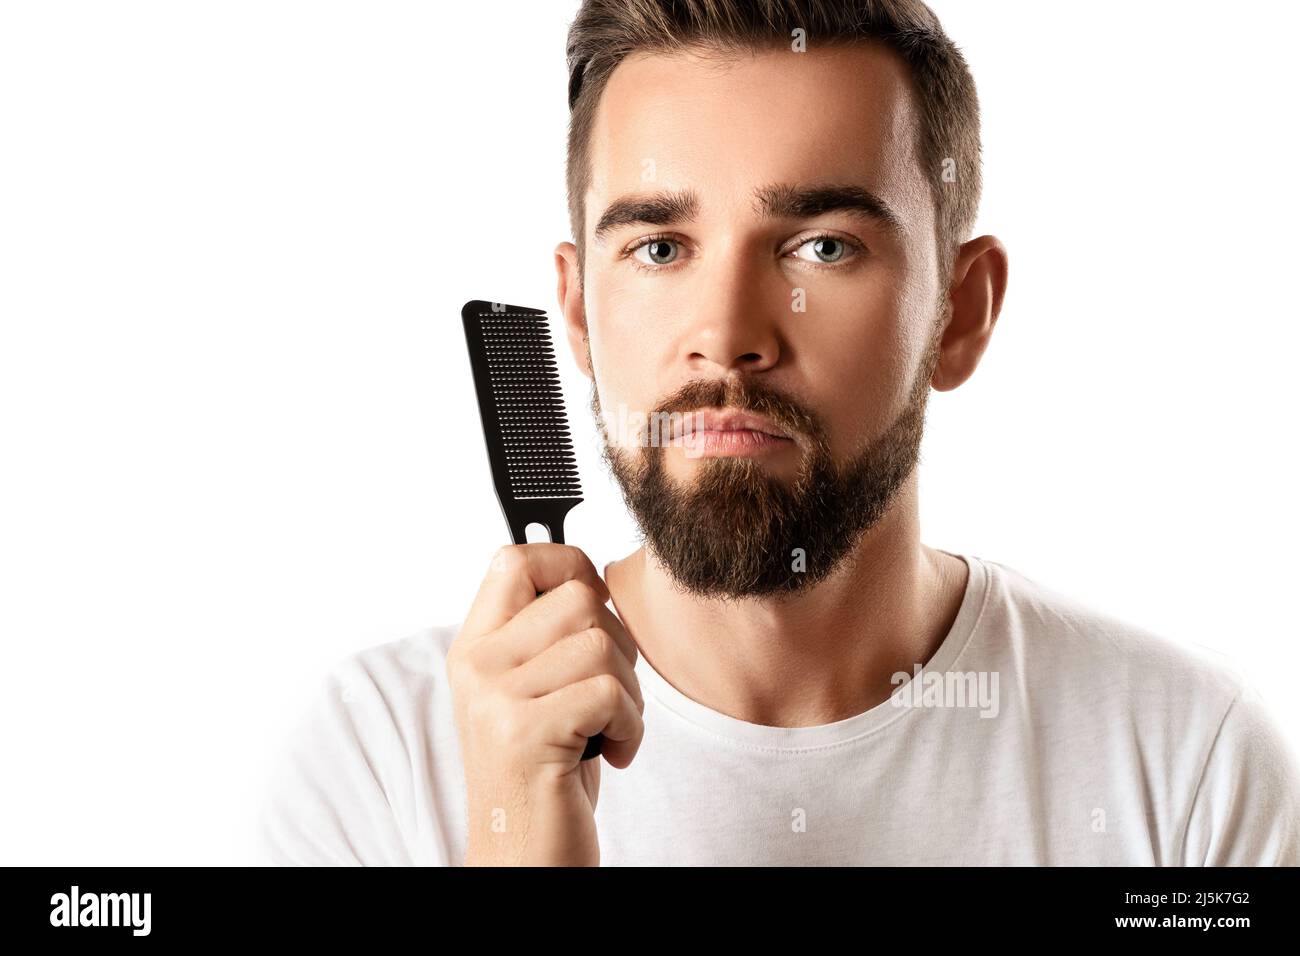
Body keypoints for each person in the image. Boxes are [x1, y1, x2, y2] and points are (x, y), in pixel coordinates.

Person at [256, 0, 1300, 866]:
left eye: (821, 245)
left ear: (961, 312)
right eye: (660, 247)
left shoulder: (1181, 768)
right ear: (575, 314)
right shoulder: (382, 762)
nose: (726, 336)